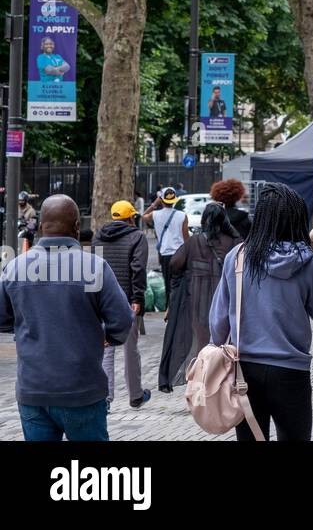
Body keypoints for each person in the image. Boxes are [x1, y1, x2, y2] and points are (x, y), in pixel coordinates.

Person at [0, 195, 134, 441]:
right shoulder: (94, 267)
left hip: (33, 390)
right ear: (76, 228)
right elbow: (123, 321)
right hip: (82, 388)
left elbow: (2, 319)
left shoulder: (14, 268)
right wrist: (108, 337)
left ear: (41, 226)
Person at [209, 182, 313, 439]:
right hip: (291, 370)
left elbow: (218, 320)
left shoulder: (238, 257)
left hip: (244, 368)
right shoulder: (310, 263)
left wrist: (216, 347)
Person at [160, 202, 240, 391]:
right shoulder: (234, 241)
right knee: (225, 342)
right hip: (225, 300)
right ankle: (221, 381)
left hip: (197, 299)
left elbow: (175, 263)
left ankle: (201, 383)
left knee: (202, 342)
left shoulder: (194, 241)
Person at [91, 200, 151, 410]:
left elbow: (94, 269)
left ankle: (106, 399)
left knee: (106, 348)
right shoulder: (137, 237)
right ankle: (135, 395)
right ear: (130, 217)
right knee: (130, 348)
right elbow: (138, 269)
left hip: (102, 299)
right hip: (126, 300)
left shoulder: (98, 236)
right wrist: (137, 299)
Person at [143, 187, 189, 312]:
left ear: (162, 200)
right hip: (180, 253)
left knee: (168, 283)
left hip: (165, 255)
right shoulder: (182, 216)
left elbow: (143, 217)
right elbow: (186, 239)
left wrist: (154, 203)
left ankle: (170, 308)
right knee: (180, 282)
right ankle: (180, 307)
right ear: (174, 201)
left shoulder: (155, 214)